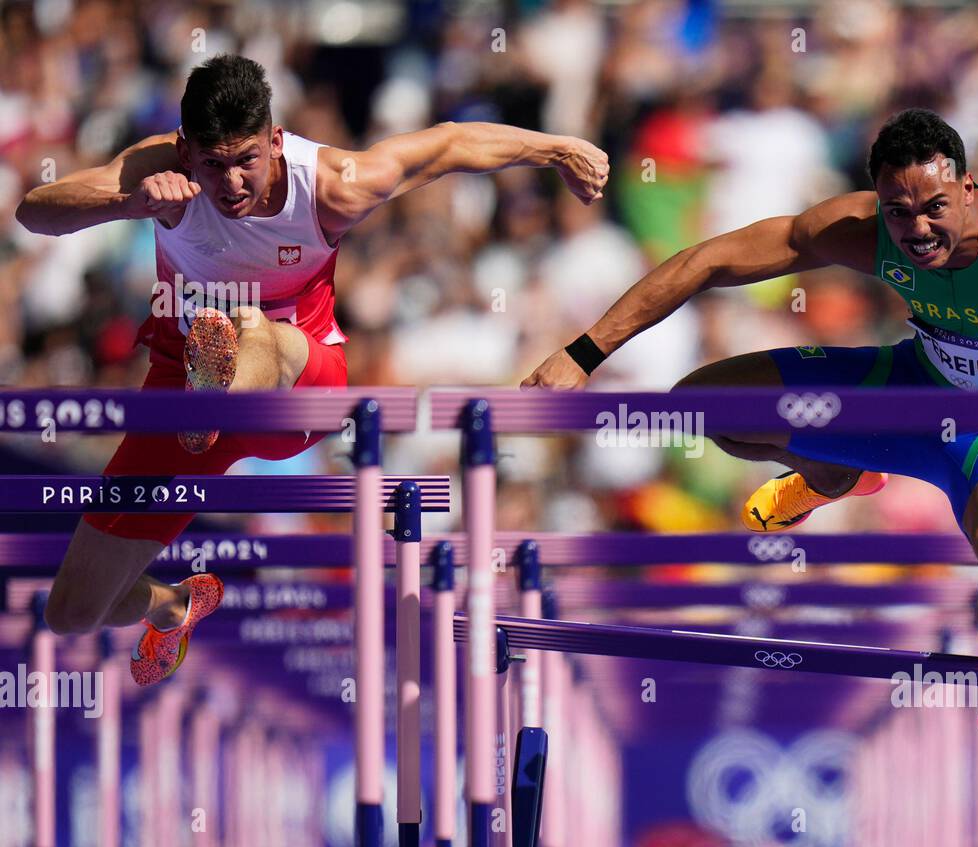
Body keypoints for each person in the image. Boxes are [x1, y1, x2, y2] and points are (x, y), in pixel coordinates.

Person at [522, 107, 978, 736]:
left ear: (969, 188)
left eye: (934, 208)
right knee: (704, 401)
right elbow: (708, 260)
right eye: (898, 211)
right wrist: (584, 353)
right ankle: (835, 473)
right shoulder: (858, 230)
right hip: (908, 391)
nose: (917, 230)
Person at [16, 54, 609, 687]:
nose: (232, 183)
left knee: (249, 330)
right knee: (73, 612)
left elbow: (452, 144)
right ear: (185, 151)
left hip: (300, 383)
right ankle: (176, 603)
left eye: (247, 159)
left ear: (274, 141)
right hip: (179, 387)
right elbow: (35, 211)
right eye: (213, 165)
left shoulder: (332, 183)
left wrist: (558, 148)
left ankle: (215, 398)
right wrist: (126, 202)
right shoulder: (157, 170)